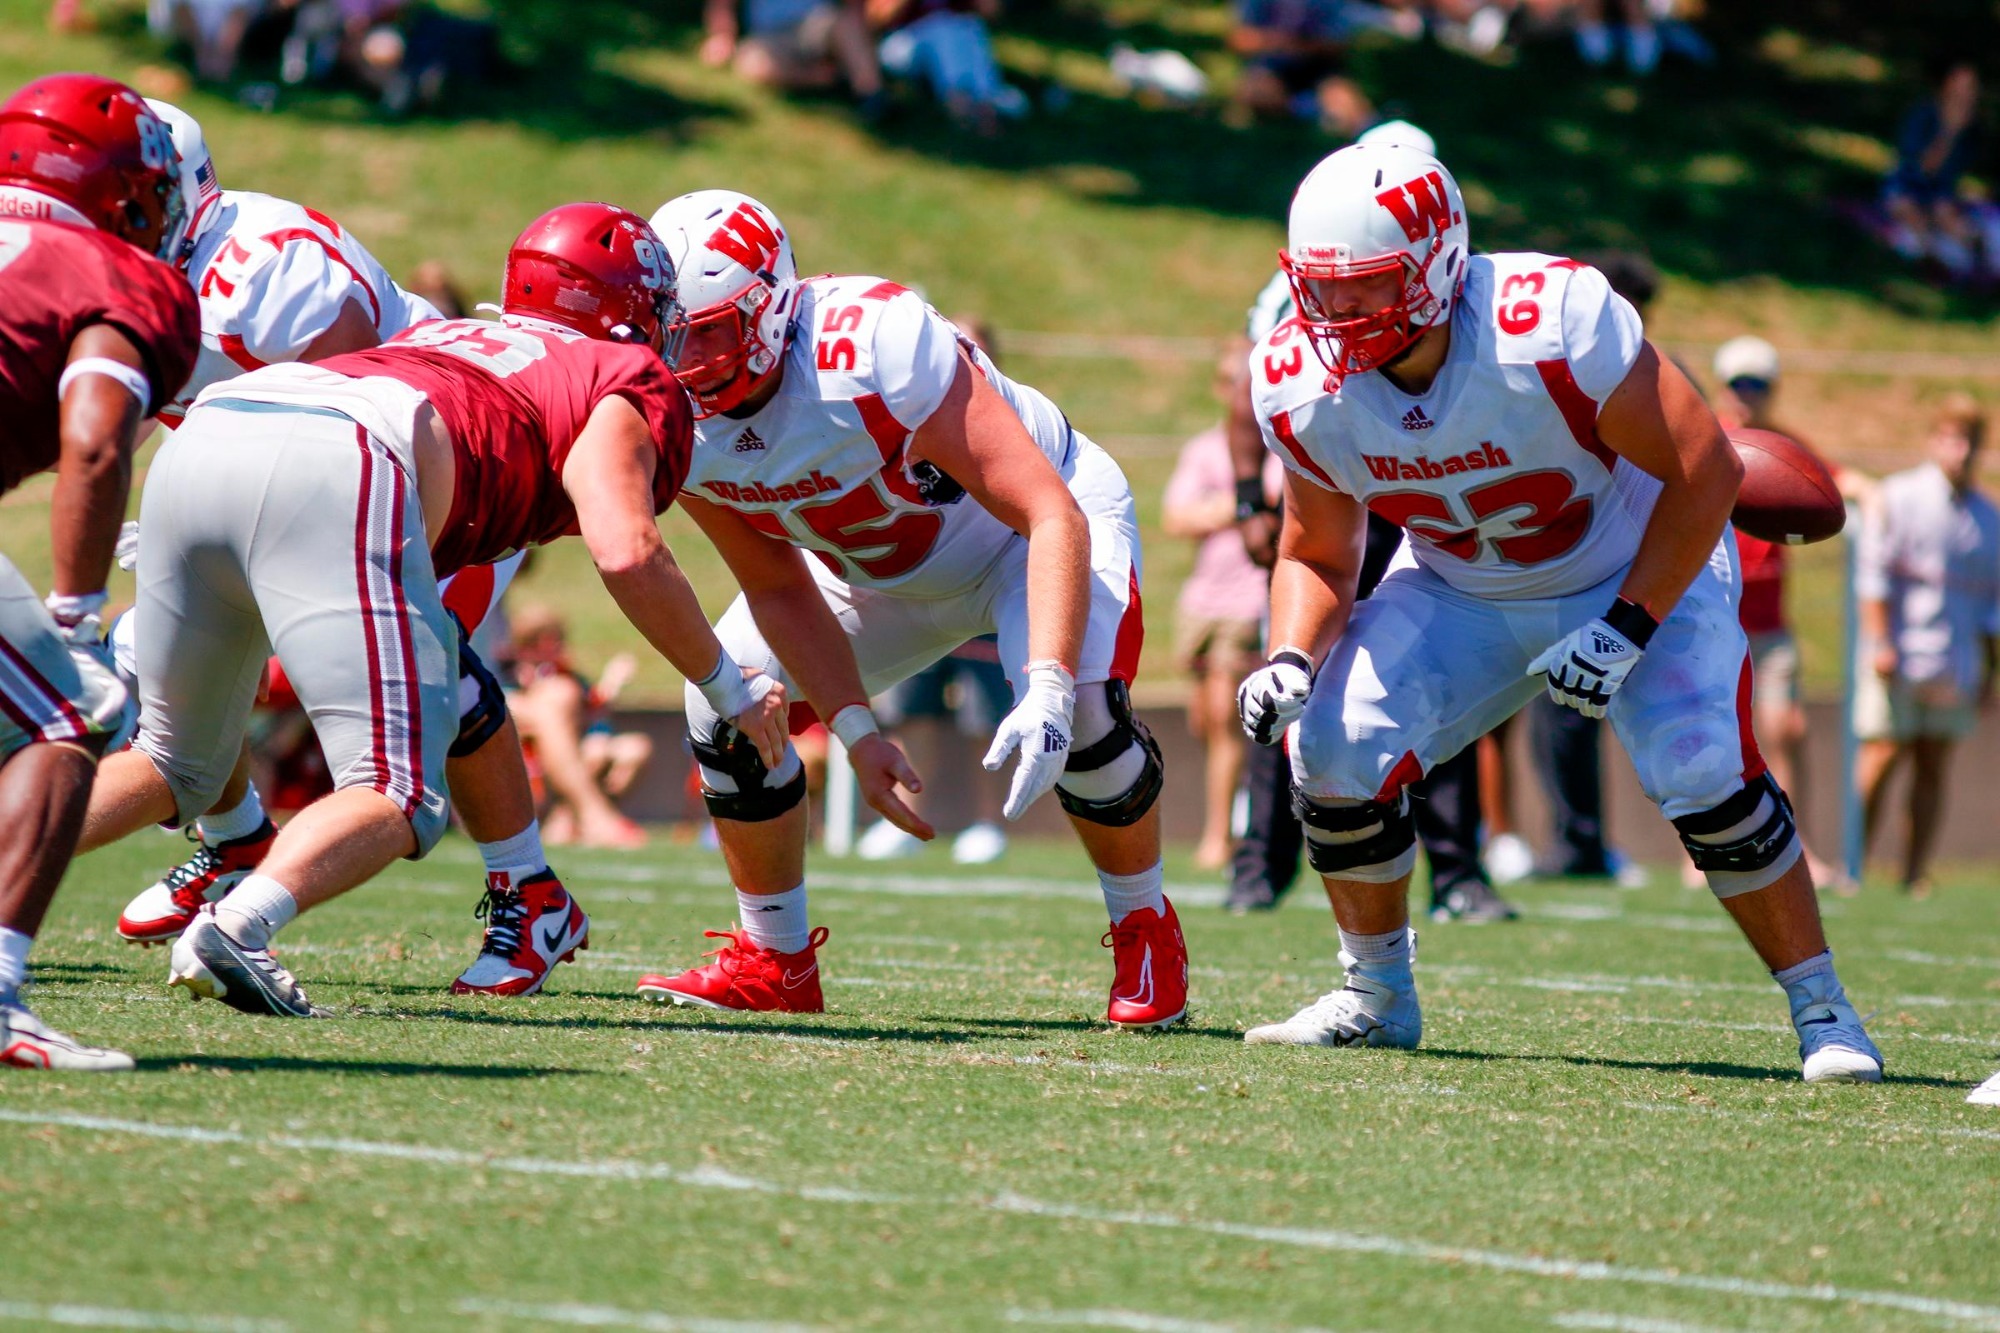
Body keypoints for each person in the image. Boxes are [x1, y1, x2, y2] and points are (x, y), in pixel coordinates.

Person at [1237, 141, 1880, 1081]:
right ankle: (1375, 994)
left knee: (1701, 769)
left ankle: (1824, 1009)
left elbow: (1706, 471)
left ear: (1436, 264)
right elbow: (1316, 550)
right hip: (1463, 584)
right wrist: (1291, 655)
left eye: (1365, 288)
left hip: (1630, 560)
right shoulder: (1299, 378)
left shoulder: (1549, 323)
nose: (1335, 314)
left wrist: (1629, 621)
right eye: (1320, 288)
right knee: (1330, 744)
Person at [75, 203, 789, 1020]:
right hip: (337, 460)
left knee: (174, 761)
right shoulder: (621, 376)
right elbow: (626, 548)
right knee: (395, 790)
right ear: (631, 312)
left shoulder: (444, 335)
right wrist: (729, 687)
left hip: (210, 433)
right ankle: (238, 925)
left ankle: (518, 890)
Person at [636, 190, 1187, 1028]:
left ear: (772, 307)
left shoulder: (875, 348)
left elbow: (1047, 512)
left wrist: (1042, 684)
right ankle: (775, 958)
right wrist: (857, 733)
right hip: (873, 574)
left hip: (1021, 534)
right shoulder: (676, 416)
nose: (689, 358)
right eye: (672, 333)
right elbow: (778, 585)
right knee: (723, 695)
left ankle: (1144, 923)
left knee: (1078, 715)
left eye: (709, 330)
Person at [107, 102, 569, 999]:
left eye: (122, 200)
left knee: (430, 662)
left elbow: (352, 412)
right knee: (166, 647)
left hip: (415, 468)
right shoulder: (128, 273)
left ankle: (530, 887)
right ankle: (237, 838)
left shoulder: (265, 270)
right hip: (277, 480)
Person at [0, 74, 201, 1069]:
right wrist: (77, 613)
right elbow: (93, 441)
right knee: (69, 707)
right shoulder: (111, 273)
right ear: (121, 193)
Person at [1707, 334, 1846, 891]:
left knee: (1786, 728)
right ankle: (1707, 851)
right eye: (1739, 383)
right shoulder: (1705, 436)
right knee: (1709, 737)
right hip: (1717, 618)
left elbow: (1829, 485)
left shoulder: (1784, 447)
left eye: (1758, 384)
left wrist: (1867, 496)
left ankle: (1796, 843)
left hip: (1769, 624)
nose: (1748, 395)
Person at [1855, 394, 2000, 896]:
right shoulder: (1900, 496)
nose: (1960, 452)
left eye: (1970, 442)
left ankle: (1913, 871)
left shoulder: (1988, 519)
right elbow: (1873, 579)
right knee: (1883, 753)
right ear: (1935, 441)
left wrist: (1989, 670)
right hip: (1899, 652)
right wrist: (1880, 642)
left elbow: (1990, 609)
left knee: (1934, 764)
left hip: (1954, 662)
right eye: (1952, 439)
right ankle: (1853, 862)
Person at [1165, 351, 1281, 870]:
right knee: (1203, 721)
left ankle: (1220, 836)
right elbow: (1176, 517)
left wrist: (1228, 509)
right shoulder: (1203, 451)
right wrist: (1238, 508)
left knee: (1225, 721)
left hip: (1247, 600)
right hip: (1201, 603)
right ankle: (1234, 809)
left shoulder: (1278, 451)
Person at [504, 605, 654, 849]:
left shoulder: (568, 676)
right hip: (531, 764)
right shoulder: (511, 678)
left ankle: (573, 819)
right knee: (589, 745)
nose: (557, 645)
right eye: (547, 639)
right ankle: (582, 818)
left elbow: (594, 710)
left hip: (575, 752)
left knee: (633, 748)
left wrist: (600, 728)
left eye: (558, 638)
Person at [1883, 61, 1986, 283]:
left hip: (1939, 192)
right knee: (1910, 212)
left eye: (1971, 88)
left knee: (1949, 216)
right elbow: (1922, 168)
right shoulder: (1924, 115)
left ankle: (1978, 257)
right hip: (1907, 184)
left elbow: (1957, 173)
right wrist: (1949, 133)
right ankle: (1928, 259)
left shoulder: (1972, 128)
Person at [703, 0, 888, 118]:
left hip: (819, 25)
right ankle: (831, 79)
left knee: (847, 24)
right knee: (751, 64)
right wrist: (722, 36)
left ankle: (871, 93)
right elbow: (722, 4)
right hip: (771, 37)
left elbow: (855, 7)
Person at [1226, 0, 1375, 139]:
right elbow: (1240, 39)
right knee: (1256, 95)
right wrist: (1283, 43)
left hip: (1321, 72)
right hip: (1272, 70)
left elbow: (1338, 43)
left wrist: (1299, 45)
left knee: (1347, 111)